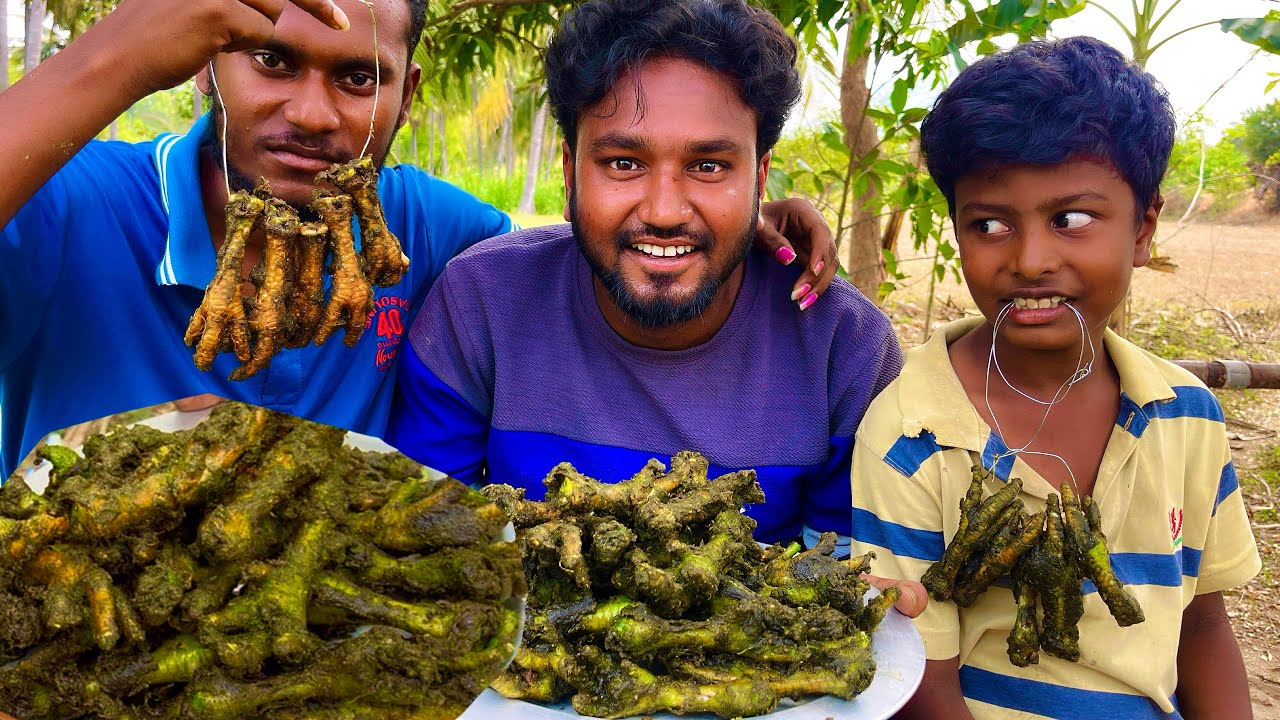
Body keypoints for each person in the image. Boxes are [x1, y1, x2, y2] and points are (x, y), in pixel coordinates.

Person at [0, 0, 839, 478]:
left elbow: (591, 241)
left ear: (406, 95)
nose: (313, 114)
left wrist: (717, 212)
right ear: (202, 61)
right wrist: (115, 56)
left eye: (358, 77)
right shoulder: (68, 207)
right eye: (272, 60)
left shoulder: (431, 232)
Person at [386, 0, 917, 600]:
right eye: (623, 163)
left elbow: (834, 588)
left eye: (710, 165)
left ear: (761, 179)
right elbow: (429, 559)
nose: (664, 211)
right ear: (570, 172)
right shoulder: (482, 305)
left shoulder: (842, 351)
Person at [849, 37, 1260, 719]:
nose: (1031, 259)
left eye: (1070, 219)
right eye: (989, 223)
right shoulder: (909, 436)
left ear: (1142, 227)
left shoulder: (1188, 415)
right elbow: (921, 677)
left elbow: (1204, 625)